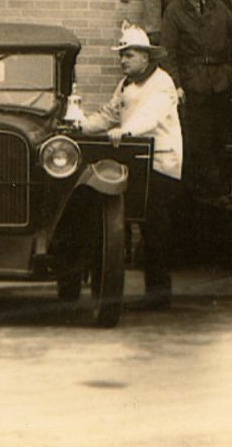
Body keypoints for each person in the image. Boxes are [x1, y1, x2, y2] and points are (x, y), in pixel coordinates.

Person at [81, 25, 183, 310]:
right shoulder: (126, 84)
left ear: (145, 58)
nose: (123, 60)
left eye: (129, 55)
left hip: (161, 164)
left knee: (155, 232)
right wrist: (81, 125)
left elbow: (150, 116)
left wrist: (125, 132)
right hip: (136, 160)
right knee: (122, 222)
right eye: (122, 55)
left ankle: (159, 297)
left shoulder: (162, 83)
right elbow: (108, 114)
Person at [163, 0, 232, 202]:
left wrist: (228, 73)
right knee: (196, 141)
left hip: (219, 82)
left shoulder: (221, 10)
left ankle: (219, 193)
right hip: (191, 83)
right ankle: (198, 197)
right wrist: (176, 84)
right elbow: (168, 51)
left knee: (220, 138)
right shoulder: (175, 11)